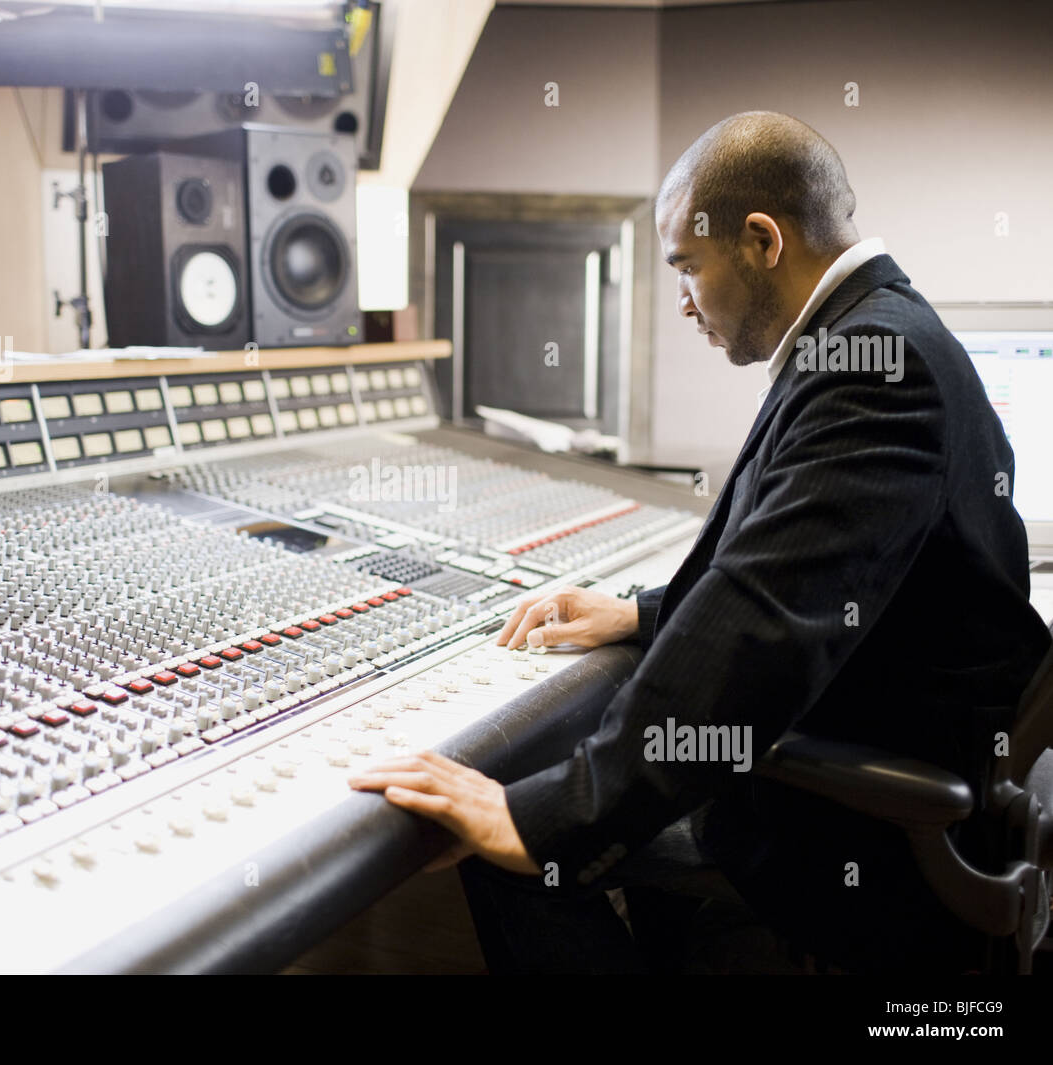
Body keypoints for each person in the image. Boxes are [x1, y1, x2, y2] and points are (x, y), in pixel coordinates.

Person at [348, 111, 1052, 973]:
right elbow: (807, 569)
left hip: (860, 843)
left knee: (518, 858)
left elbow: (765, 623)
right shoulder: (874, 330)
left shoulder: (873, 364)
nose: (681, 298)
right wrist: (641, 612)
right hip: (871, 767)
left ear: (760, 239)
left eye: (688, 265)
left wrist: (536, 819)